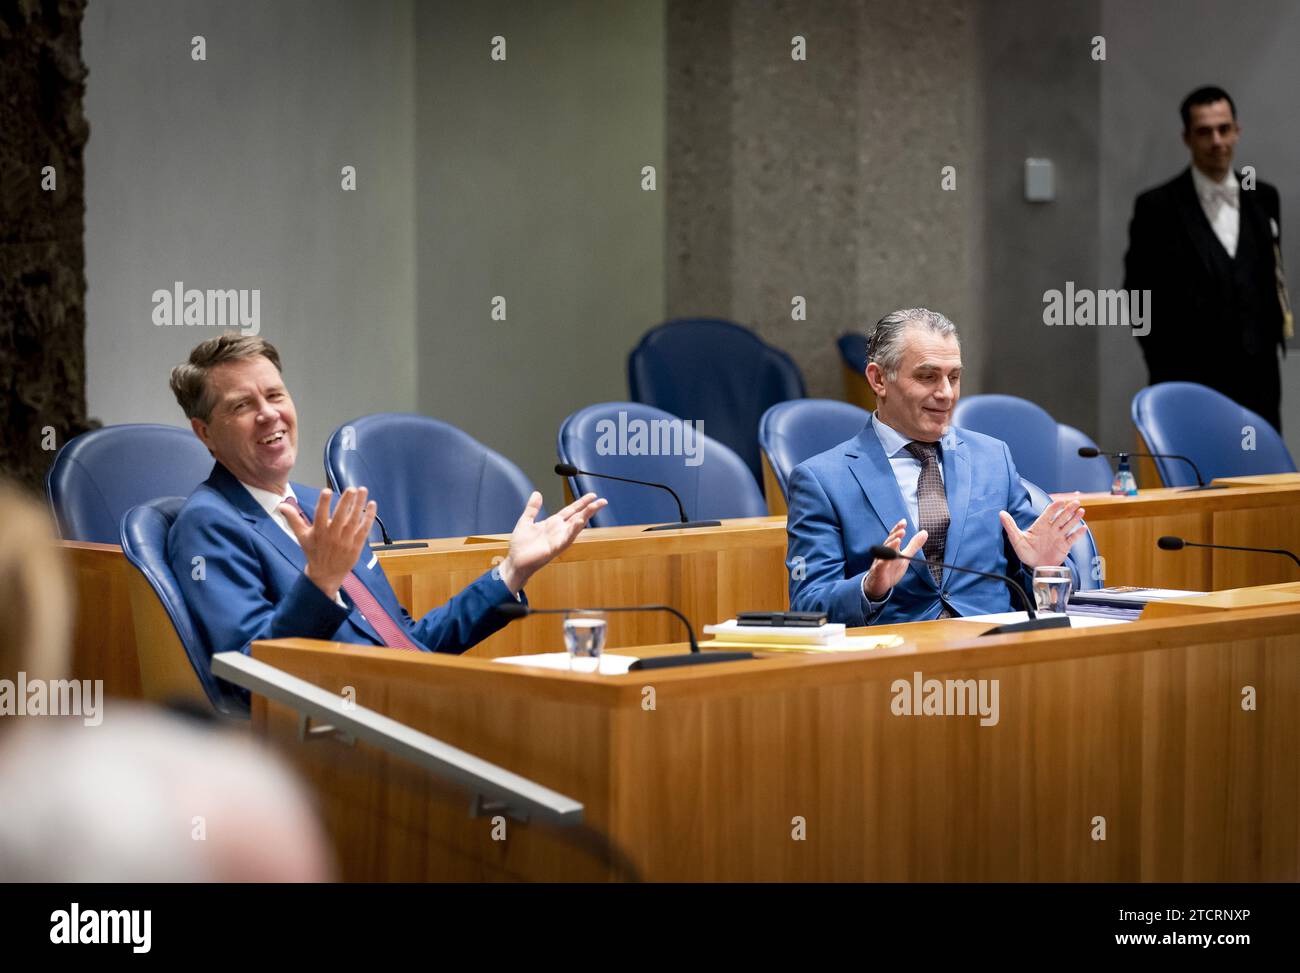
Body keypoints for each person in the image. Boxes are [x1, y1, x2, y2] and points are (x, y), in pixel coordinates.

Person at [166, 333, 606, 662]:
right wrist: (321, 583)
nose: (269, 414)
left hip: (410, 696)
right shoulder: (209, 524)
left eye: (276, 395)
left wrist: (511, 572)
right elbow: (248, 672)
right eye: (242, 406)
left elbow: (408, 643)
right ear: (204, 432)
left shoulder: (325, 510)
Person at [786, 308, 1085, 625]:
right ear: (878, 379)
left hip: (995, 648)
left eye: (953, 377)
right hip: (895, 657)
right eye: (927, 377)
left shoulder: (992, 458)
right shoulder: (822, 480)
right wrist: (869, 587)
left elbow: (1052, 588)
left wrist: (1042, 568)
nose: (945, 393)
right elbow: (807, 605)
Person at [1123, 85, 1291, 432]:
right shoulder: (1156, 207)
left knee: (1260, 479)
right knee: (1196, 480)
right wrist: (1163, 364)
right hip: (1187, 381)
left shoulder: (1264, 197)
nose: (1217, 141)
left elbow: (1269, 278)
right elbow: (1137, 293)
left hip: (1260, 381)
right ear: (1187, 137)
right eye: (1204, 132)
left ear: (1237, 131)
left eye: (1224, 129)